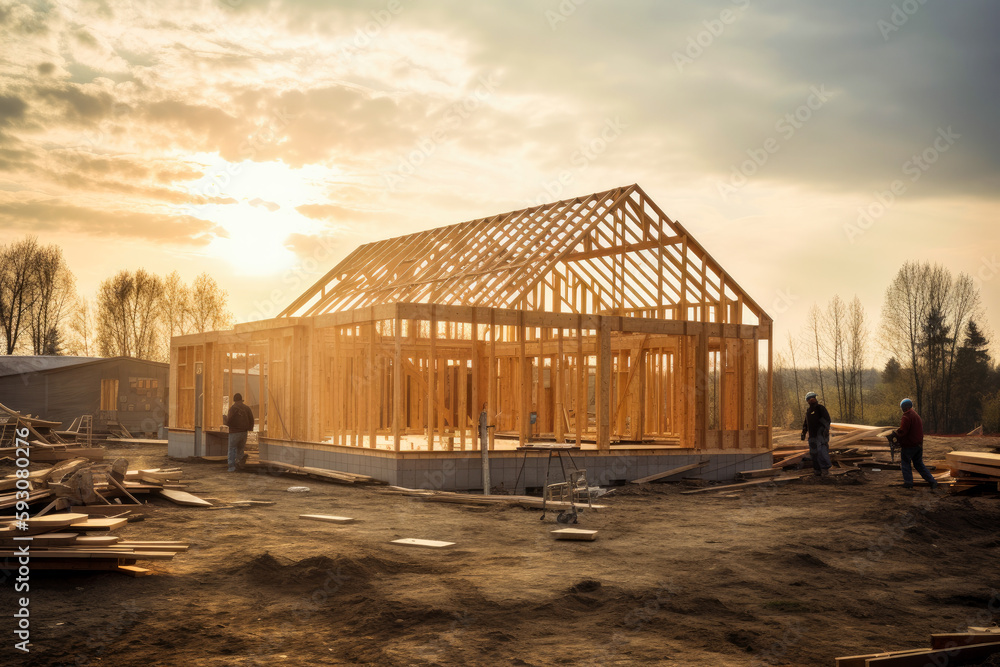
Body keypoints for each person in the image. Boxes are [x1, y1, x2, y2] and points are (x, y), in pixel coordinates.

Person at [894, 398, 938, 490]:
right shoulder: (916, 415)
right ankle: (932, 482)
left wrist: (896, 434)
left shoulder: (906, 416)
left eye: (902, 408)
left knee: (905, 463)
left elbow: (903, 432)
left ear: (904, 407)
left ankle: (908, 483)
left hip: (909, 445)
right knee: (919, 464)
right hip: (918, 445)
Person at [800, 391, 832, 476]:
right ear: (807, 401)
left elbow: (827, 420)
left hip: (821, 435)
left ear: (815, 398)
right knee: (814, 453)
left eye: (813, 397)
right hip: (812, 436)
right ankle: (817, 470)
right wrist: (803, 432)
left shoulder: (820, 408)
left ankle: (825, 469)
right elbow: (806, 423)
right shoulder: (808, 411)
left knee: (822, 452)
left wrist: (825, 430)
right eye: (810, 398)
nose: (812, 399)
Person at [224, 393, 255, 473]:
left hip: (234, 432)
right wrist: (249, 428)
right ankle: (239, 465)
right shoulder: (247, 408)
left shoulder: (233, 408)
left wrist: (224, 419)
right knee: (240, 450)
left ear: (234, 400)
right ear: (241, 400)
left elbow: (228, 421)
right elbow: (251, 419)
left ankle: (231, 467)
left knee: (232, 449)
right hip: (244, 433)